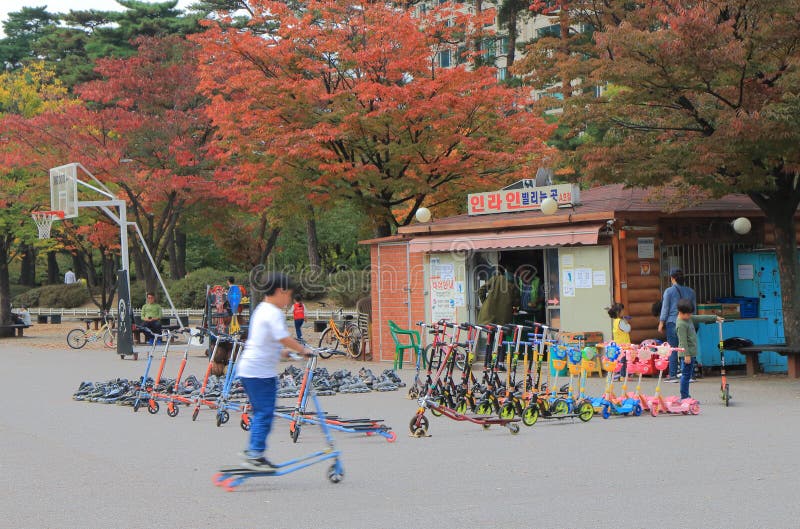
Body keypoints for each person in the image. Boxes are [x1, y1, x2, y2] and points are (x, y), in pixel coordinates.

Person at [236, 272, 315, 469]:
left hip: (250, 369)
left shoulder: (261, 309)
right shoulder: (273, 312)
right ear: (281, 291)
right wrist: (303, 349)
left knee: (262, 412)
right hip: (259, 373)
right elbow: (283, 337)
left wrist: (285, 353)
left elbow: (268, 341)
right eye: (289, 296)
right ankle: (254, 453)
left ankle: (254, 451)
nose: (289, 301)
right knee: (265, 413)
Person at [675, 298, 722, 400]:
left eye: (690, 314)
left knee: (687, 376)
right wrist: (686, 355)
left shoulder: (688, 318)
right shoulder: (681, 324)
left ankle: (686, 395)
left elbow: (700, 318)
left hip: (691, 353)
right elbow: (683, 341)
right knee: (686, 376)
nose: (689, 316)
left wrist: (715, 318)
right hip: (686, 354)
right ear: (680, 312)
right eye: (687, 314)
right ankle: (684, 397)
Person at [658, 268, 696, 381]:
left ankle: (673, 374)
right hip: (688, 323)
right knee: (686, 347)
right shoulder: (691, 291)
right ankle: (688, 374)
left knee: (674, 349)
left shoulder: (669, 291)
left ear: (672, 278)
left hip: (673, 322)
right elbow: (693, 309)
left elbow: (665, 308)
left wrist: (661, 322)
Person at [607, 302, 631, 380]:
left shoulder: (615, 321)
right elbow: (628, 329)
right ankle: (622, 376)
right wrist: (626, 321)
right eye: (622, 311)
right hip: (623, 344)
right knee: (623, 361)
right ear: (618, 312)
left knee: (620, 360)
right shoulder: (620, 321)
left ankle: (619, 375)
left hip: (618, 344)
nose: (623, 312)